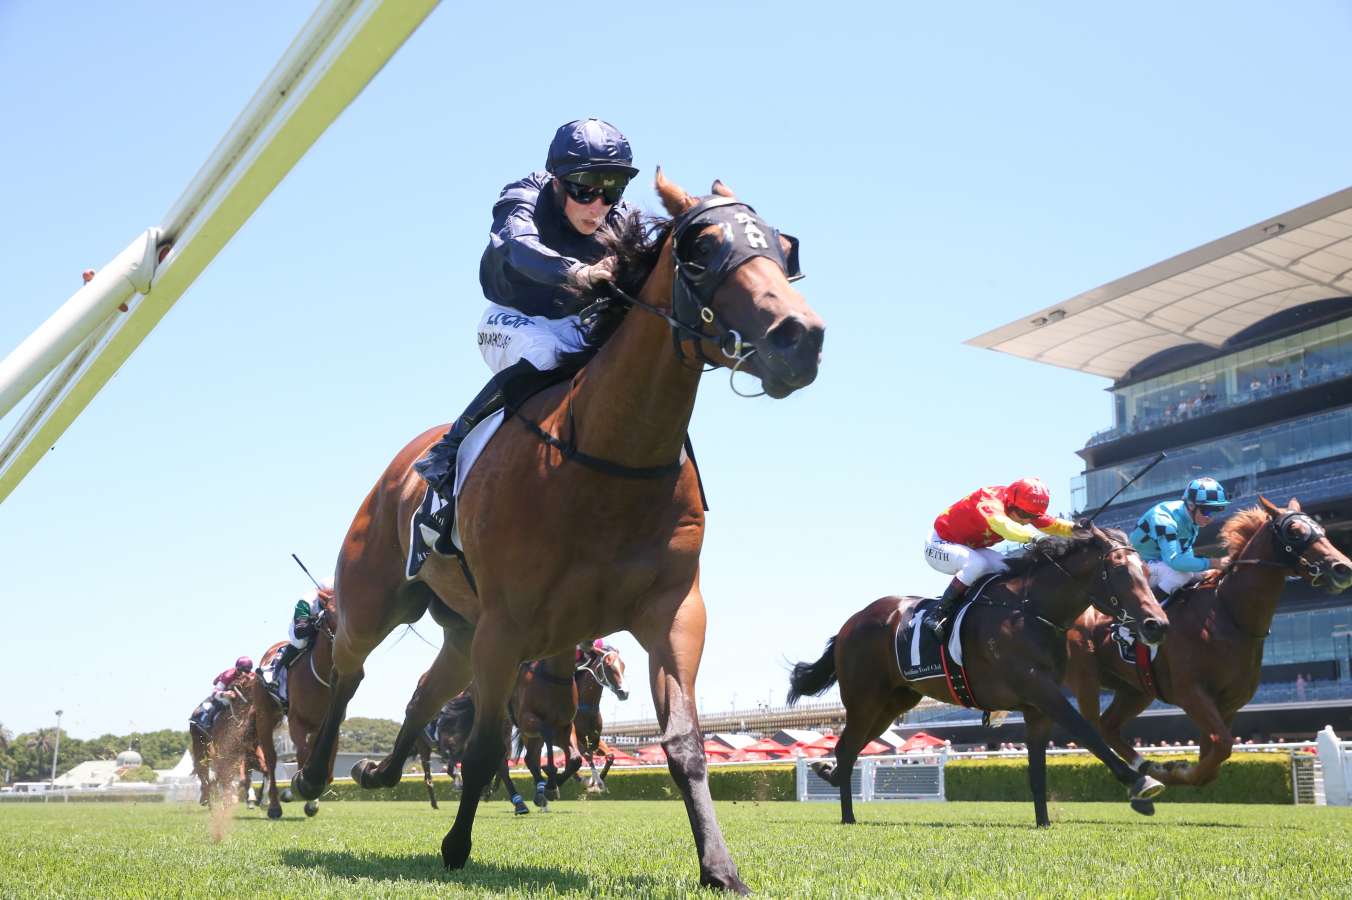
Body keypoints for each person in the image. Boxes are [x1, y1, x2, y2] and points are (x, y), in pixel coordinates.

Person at [414, 118, 640, 553]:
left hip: (578, 322)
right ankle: (448, 450)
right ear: (556, 181)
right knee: (545, 353)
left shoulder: (621, 218)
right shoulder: (522, 196)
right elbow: (517, 247)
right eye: (585, 187)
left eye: (612, 188)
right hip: (513, 319)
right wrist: (580, 272)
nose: (598, 204)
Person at [923, 477, 1076, 641]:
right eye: (1024, 514)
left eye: (1032, 516)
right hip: (939, 543)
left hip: (969, 546)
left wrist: (1078, 528)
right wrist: (1035, 537)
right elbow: (1004, 525)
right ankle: (938, 613)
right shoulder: (990, 503)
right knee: (977, 565)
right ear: (1010, 503)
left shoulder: (1019, 504)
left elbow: (1051, 524)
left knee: (1008, 568)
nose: (1027, 521)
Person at [1130, 476, 1229, 597]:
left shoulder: (1191, 519)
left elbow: (1185, 557)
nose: (1210, 518)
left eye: (1214, 512)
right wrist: (1215, 562)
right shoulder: (1164, 520)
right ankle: (1148, 614)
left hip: (1158, 563)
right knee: (1182, 575)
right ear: (1192, 505)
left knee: (1205, 575)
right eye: (1207, 511)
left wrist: (1208, 569)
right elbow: (1176, 562)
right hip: (1136, 568)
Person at [262, 585, 331, 688]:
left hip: (318, 626)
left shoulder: (339, 599)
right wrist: (316, 622)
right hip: (300, 629)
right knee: (301, 643)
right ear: (320, 596)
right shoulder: (306, 602)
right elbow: (300, 632)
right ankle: (275, 673)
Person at [192, 656, 254, 731]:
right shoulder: (228, 675)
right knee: (224, 701)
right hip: (223, 689)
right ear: (237, 668)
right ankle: (207, 723)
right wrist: (225, 694)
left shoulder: (251, 675)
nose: (243, 674)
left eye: (246, 671)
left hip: (233, 690)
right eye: (240, 670)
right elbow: (214, 692)